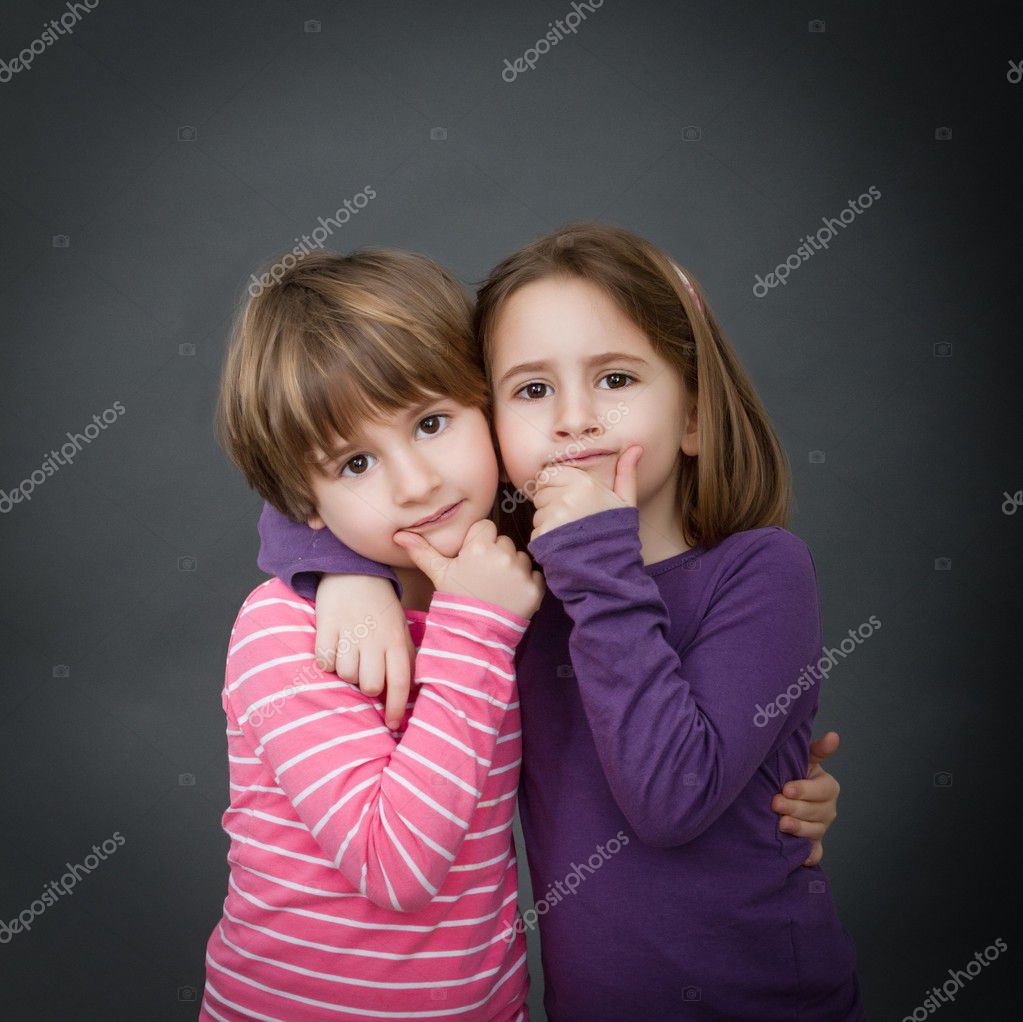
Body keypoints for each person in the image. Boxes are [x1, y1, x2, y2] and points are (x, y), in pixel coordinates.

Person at [256, 224, 862, 1019]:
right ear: (493, 429)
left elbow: (670, 800)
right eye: (532, 390)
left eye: (615, 378)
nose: (574, 420)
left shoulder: (761, 569)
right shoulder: (512, 585)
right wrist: (343, 571)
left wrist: (595, 558)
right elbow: (320, 460)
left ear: (693, 417)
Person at [201, 249, 546, 1021]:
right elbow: (394, 869)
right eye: (355, 462)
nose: (414, 482)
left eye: (431, 422)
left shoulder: (512, 581)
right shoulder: (284, 630)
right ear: (304, 502)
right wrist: (474, 631)